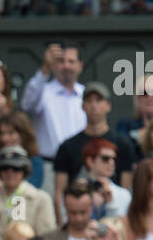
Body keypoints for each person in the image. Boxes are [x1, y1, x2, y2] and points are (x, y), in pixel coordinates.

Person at [53, 82, 134, 221]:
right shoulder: (67, 146)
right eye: (89, 101)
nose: (94, 105)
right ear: (82, 106)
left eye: (99, 100)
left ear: (108, 105)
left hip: (113, 216)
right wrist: (63, 225)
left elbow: (125, 189)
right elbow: (60, 192)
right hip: (77, 217)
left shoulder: (123, 144)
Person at [20, 42, 86, 184]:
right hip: (49, 167)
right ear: (53, 65)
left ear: (80, 65)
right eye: (61, 61)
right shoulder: (43, 91)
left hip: (82, 168)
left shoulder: (87, 95)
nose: (66, 66)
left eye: (71, 61)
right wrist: (44, 68)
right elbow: (27, 104)